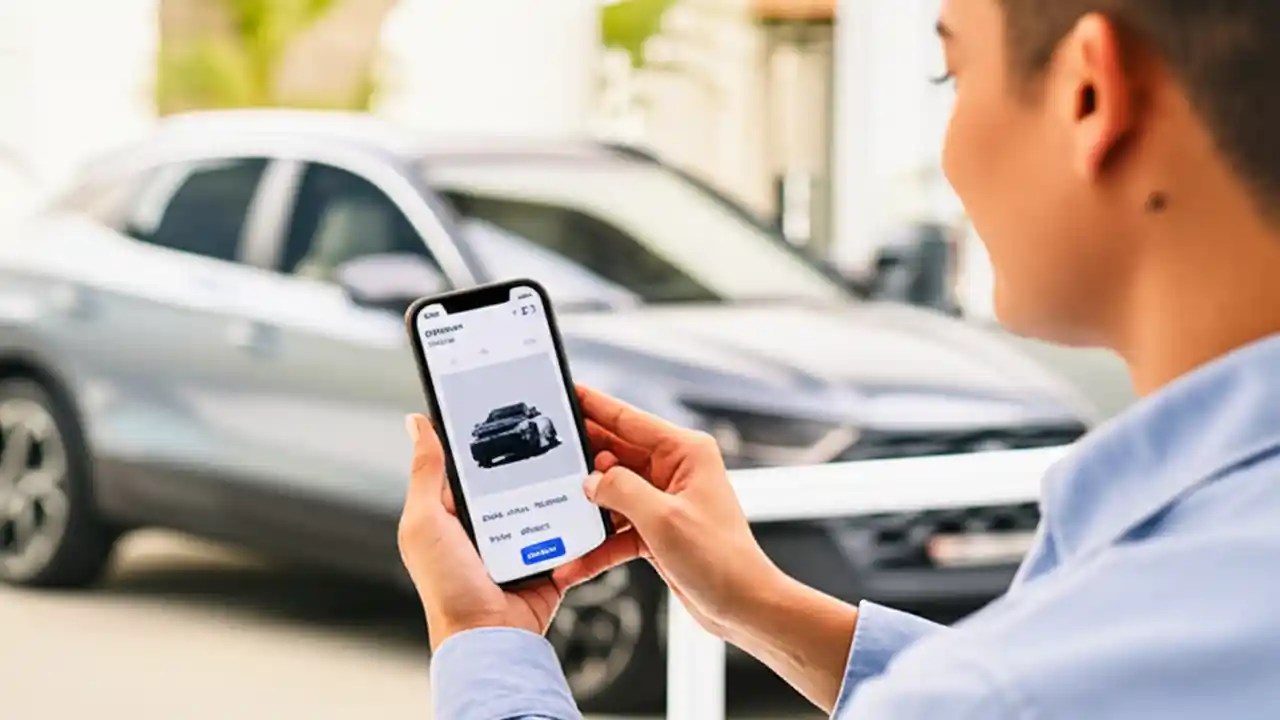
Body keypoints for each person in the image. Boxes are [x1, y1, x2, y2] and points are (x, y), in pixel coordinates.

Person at [398, 0, 1280, 716]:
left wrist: (483, 638)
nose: (947, 152)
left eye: (951, 73)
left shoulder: (1013, 689)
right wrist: (756, 603)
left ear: (1090, 95)